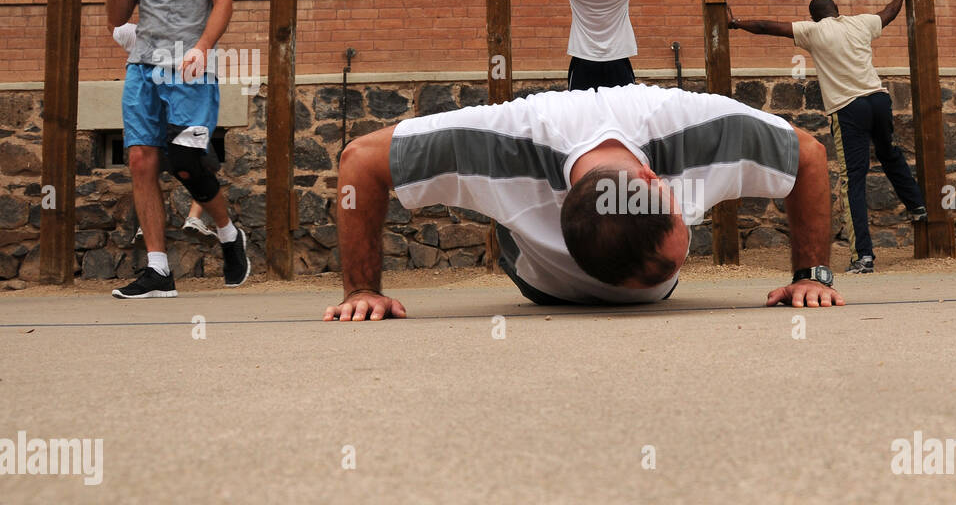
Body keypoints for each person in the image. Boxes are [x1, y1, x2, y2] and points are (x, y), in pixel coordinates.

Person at [322, 84, 846, 321]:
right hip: (540, 281)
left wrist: (811, 275)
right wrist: (362, 290)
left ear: (652, 178)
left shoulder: (700, 125)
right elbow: (360, 162)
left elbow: (810, 157)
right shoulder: (500, 139)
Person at [105, 0, 250, 297]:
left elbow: (223, 2)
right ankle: (158, 271)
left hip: (188, 66)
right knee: (141, 161)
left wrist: (202, 46)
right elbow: (116, 18)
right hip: (142, 67)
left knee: (185, 161)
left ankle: (227, 233)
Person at [727, 0, 926, 274]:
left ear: (814, 17)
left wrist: (737, 23)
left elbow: (769, 27)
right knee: (890, 155)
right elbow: (889, 13)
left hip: (850, 109)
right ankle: (918, 206)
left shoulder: (814, 31)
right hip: (878, 99)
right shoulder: (860, 22)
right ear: (836, 10)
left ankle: (864, 256)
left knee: (853, 180)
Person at [112, 19, 217, 241]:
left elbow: (115, 23)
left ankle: (146, 224)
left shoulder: (133, 34)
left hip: (151, 117)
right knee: (201, 164)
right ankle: (194, 217)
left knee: (146, 171)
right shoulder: (182, 31)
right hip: (179, 110)